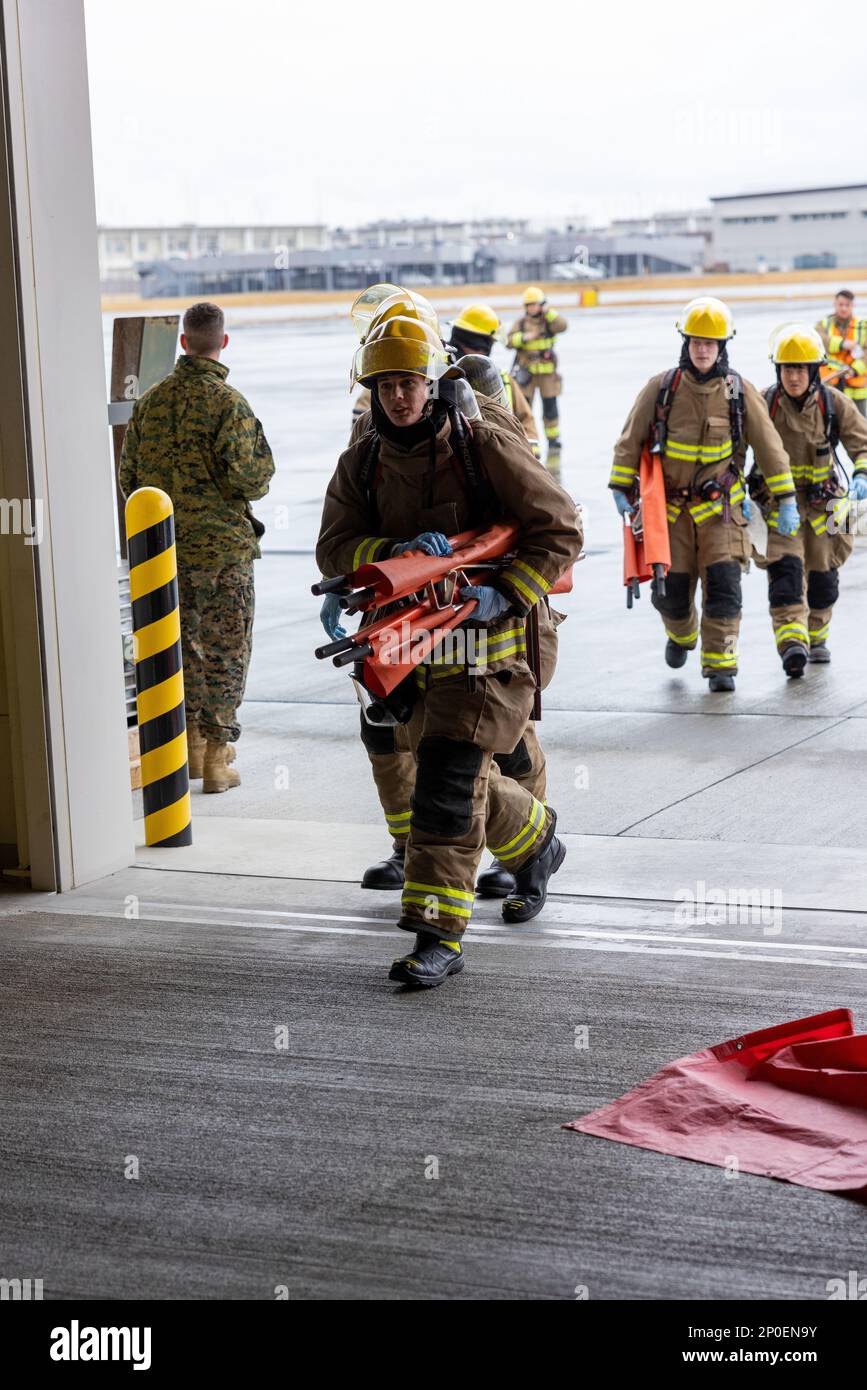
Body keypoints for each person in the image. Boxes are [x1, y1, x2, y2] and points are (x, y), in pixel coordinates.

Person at [316, 313, 582, 988]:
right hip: (409, 648)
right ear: (371, 391)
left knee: (443, 783)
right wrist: (391, 555)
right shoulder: (365, 460)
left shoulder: (480, 442)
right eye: (385, 386)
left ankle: (436, 935)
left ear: (431, 381)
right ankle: (537, 840)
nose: (399, 397)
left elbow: (559, 529)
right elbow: (334, 548)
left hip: (492, 645)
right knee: (456, 778)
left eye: (409, 382)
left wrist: (509, 592)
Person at [119, 301, 274, 790]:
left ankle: (185, 751)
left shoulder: (150, 403)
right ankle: (216, 761)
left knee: (181, 650)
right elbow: (252, 478)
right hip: (224, 556)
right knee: (227, 653)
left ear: (184, 341)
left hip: (165, 556)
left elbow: (129, 481)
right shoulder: (229, 403)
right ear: (222, 342)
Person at [609, 297, 795, 693]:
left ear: (722, 346)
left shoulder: (739, 391)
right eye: (697, 342)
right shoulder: (661, 389)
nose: (703, 349)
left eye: (711, 343)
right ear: (685, 343)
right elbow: (629, 441)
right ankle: (681, 634)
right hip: (671, 514)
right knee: (672, 595)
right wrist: (620, 489)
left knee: (725, 589)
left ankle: (720, 665)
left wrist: (787, 497)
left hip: (721, 512)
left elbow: (770, 447)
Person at [750, 324, 867, 674]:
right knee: (785, 578)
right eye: (788, 368)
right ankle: (792, 645)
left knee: (823, 581)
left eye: (801, 368)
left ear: (815, 370)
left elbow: (863, 445)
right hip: (777, 508)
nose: (794, 376)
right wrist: (735, 489)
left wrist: (862, 473)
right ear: (778, 370)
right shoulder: (764, 403)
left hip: (826, 508)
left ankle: (817, 638)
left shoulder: (835, 404)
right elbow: (735, 445)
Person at [449, 303, 540, 457]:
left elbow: (526, 421)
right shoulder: (440, 379)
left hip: (503, 461)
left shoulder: (503, 380)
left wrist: (528, 455)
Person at [507, 286, 568, 456]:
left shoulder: (549, 322)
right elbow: (508, 341)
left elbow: (563, 326)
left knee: (550, 406)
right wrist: (524, 337)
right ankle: (523, 437)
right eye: (529, 305)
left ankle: (553, 438)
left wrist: (549, 312)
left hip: (548, 374)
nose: (532, 308)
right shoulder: (520, 323)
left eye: (535, 304)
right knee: (524, 407)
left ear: (542, 304)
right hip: (527, 374)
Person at [815, 290, 867, 417]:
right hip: (831, 384)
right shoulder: (823, 325)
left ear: (853, 305)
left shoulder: (863, 326)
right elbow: (817, 339)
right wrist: (842, 343)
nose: (843, 308)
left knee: (859, 427)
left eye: (847, 305)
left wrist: (854, 370)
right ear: (835, 304)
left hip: (856, 387)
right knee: (830, 426)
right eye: (840, 304)